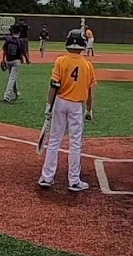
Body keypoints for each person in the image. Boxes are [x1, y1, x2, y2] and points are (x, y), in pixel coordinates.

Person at [38, 29, 96, 192]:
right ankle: (74, 180)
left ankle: (46, 177)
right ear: (83, 45)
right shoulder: (87, 65)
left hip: (60, 102)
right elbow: (90, 92)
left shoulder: (61, 61)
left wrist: (49, 105)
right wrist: (89, 110)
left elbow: (54, 85)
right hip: (76, 105)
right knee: (75, 142)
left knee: (54, 140)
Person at [1, 25, 25, 103]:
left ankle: (17, 92)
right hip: (16, 61)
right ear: (19, 32)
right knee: (12, 78)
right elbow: (22, 52)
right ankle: (7, 96)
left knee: (12, 77)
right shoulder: (20, 41)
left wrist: (3, 59)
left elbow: (4, 50)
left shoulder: (8, 39)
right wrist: (26, 60)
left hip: (8, 60)